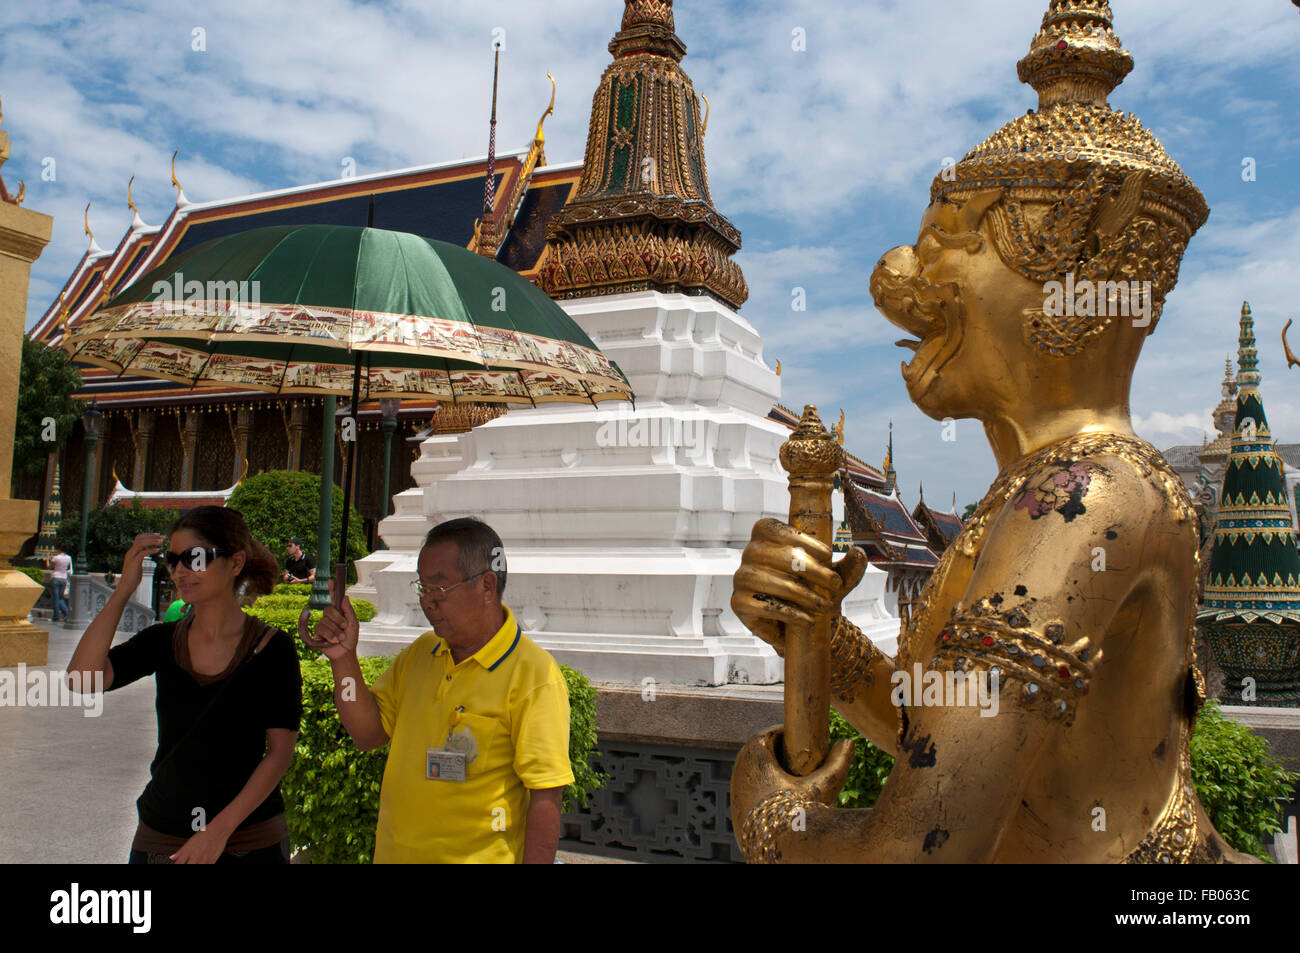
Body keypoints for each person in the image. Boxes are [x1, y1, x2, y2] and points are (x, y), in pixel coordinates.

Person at [303, 517, 573, 863]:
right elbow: (368, 734)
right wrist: (343, 660)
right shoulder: (420, 654)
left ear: (487, 586)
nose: (427, 602)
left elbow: (545, 798)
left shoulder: (533, 675)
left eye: (439, 589)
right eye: (423, 588)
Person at [66, 506, 302, 864]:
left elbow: (279, 753)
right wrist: (123, 591)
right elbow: (81, 680)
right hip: (163, 836)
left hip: (249, 841)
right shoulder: (163, 641)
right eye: (172, 560)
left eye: (193, 558)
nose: (179, 571)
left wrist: (216, 833)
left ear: (235, 562)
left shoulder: (272, 649)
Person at [46, 543, 73, 622]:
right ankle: (67, 613)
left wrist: (48, 559)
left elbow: (49, 566)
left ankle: (56, 616)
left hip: (56, 577)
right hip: (64, 578)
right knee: (60, 598)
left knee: (56, 598)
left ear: (59, 549)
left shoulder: (56, 558)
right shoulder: (69, 558)